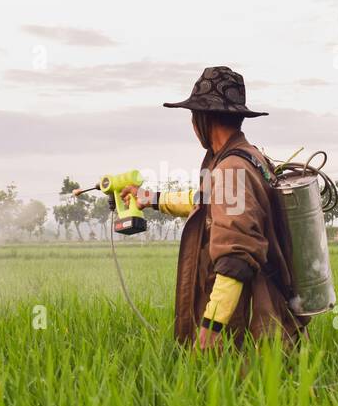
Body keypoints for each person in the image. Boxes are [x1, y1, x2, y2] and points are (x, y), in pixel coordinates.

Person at [121, 67, 306, 350]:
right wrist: (151, 198)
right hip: (268, 316)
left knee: (240, 392)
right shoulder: (250, 157)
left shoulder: (231, 169)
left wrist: (211, 328)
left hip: (249, 326)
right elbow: (206, 203)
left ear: (202, 119)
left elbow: (236, 257)